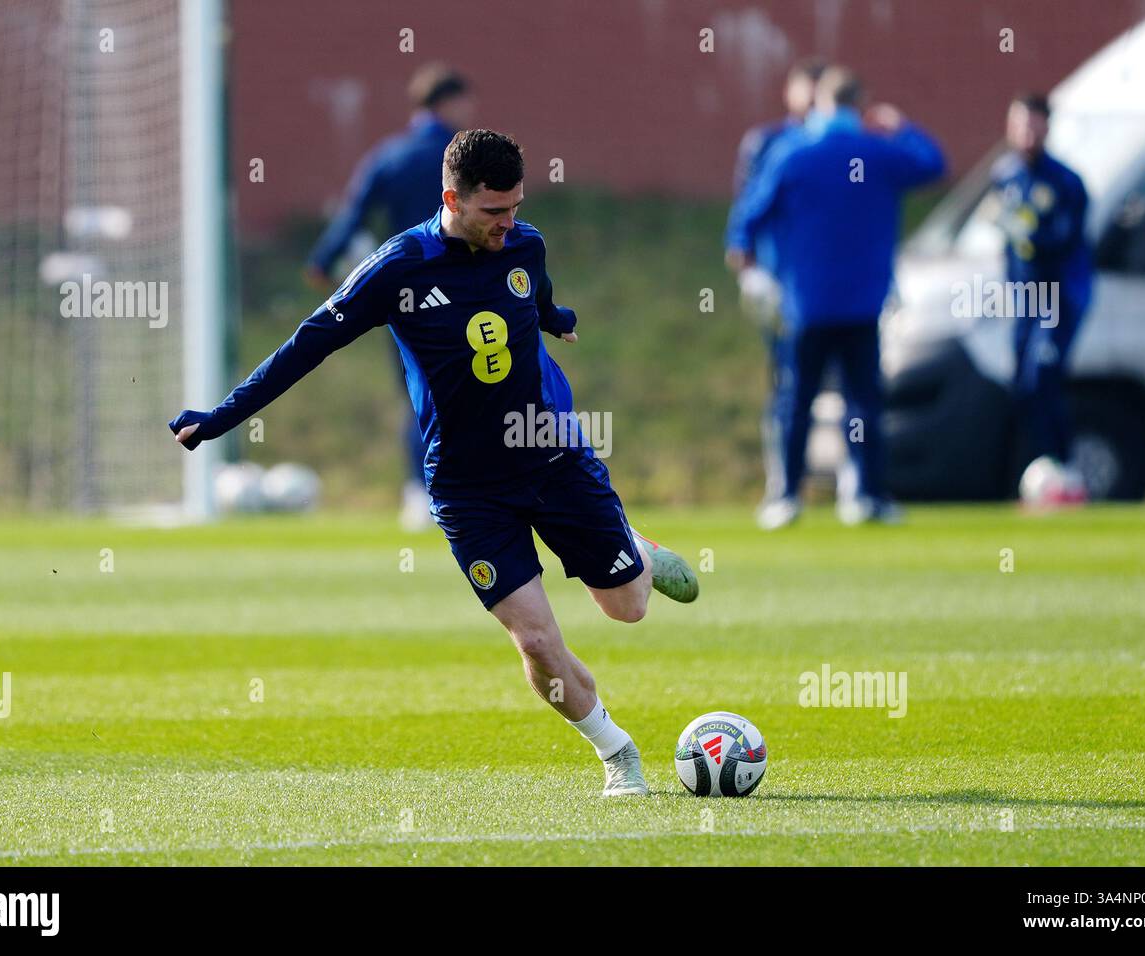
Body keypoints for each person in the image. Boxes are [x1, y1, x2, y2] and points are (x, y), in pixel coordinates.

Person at [170, 130, 700, 797]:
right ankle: (616, 754)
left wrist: (555, 316)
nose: (509, 225)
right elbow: (306, 346)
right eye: (493, 213)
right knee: (536, 642)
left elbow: (532, 296)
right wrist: (220, 417)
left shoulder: (524, 243)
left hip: (548, 452)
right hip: (466, 486)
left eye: (515, 208)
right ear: (451, 198)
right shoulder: (399, 267)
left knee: (627, 609)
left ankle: (633, 548)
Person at [726, 67, 945, 528]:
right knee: (863, 400)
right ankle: (865, 494)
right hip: (865, 301)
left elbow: (748, 218)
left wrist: (751, 268)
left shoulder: (794, 152)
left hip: (805, 301)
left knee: (796, 399)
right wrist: (900, 126)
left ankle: (786, 495)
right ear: (860, 106)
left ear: (821, 104)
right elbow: (933, 163)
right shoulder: (879, 152)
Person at [305, 64, 476, 531]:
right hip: (466, 291)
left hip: (405, 295)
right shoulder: (463, 160)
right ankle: (473, 490)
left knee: (419, 393)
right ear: (449, 103)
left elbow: (353, 214)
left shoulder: (389, 156)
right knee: (478, 389)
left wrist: (322, 263)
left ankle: (418, 495)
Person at [989, 93, 1093, 503]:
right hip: (1025, 301)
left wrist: (1029, 230)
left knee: (1043, 377)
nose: (1026, 133)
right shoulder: (1005, 176)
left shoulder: (1066, 182)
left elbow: (1064, 240)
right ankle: (1041, 472)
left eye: (1033, 125)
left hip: (1059, 298)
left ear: (1047, 127)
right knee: (1023, 384)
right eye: (1019, 124)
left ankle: (1064, 471)